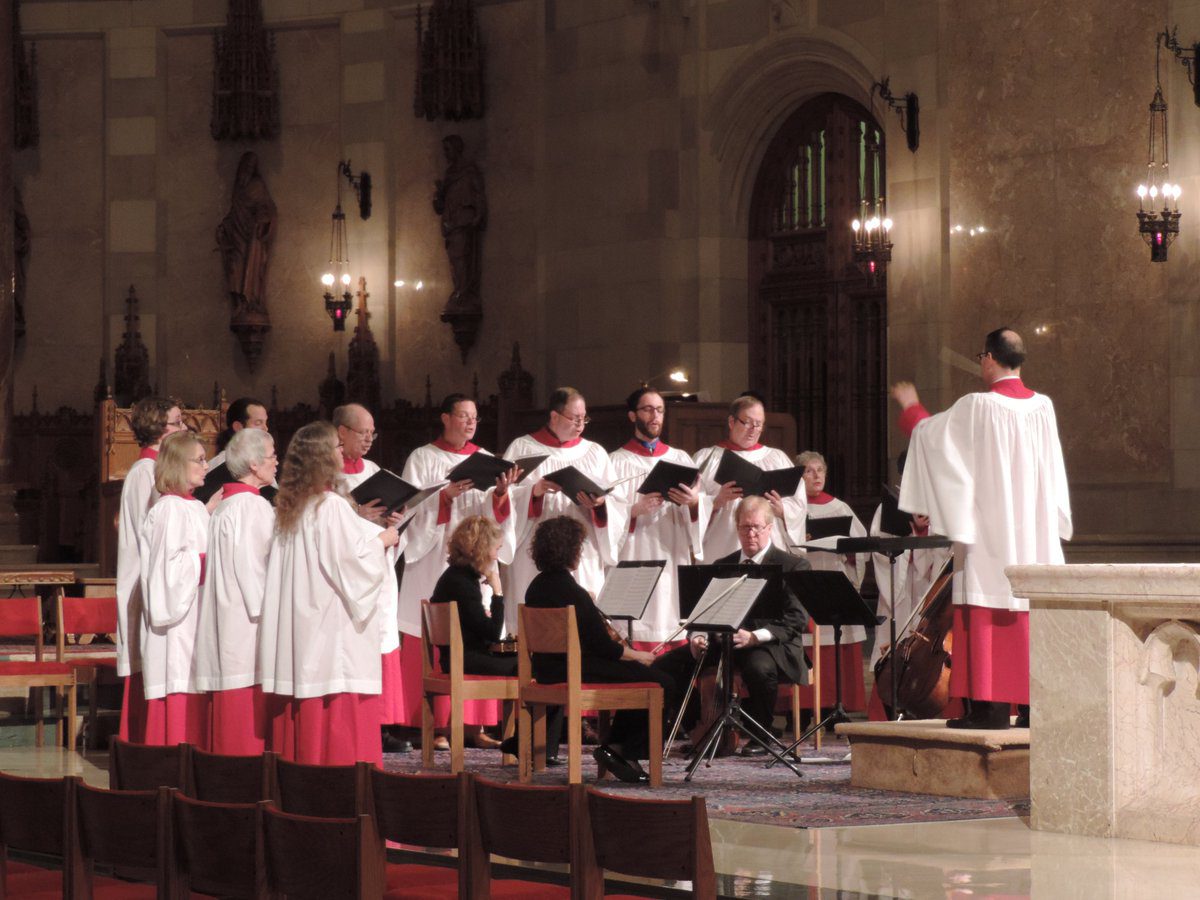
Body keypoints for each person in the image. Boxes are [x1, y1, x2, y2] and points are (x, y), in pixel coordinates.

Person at [893, 327, 1072, 730]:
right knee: (1028, 614)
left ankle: (989, 710)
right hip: (1034, 536)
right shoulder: (1043, 407)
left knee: (987, 608)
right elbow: (1054, 470)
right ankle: (1033, 708)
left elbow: (931, 439)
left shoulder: (977, 406)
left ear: (989, 358)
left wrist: (910, 407)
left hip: (991, 537)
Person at [257, 421, 401, 765]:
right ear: (323, 456)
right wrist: (383, 540)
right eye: (336, 446)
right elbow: (352, 564)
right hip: (330, 631)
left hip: (305, 629)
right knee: (337, 720)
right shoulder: (330, 506)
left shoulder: (293, 507)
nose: (341, 451)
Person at [399, 395, 519, 748]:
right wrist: (444, 497)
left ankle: (472, 727)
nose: (470, 423)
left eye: (475, 417)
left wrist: (500, 494)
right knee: (440, 636)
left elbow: (495, 518)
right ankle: (436, 726)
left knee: (478, 633)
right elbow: (407, 509)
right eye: (464, 416)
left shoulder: (486, 459)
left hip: (475, 560)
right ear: (445, 418)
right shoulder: (422, 458)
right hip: (435, 558)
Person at [653, 496, 811, 755]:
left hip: (770, 644)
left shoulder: (793, 565)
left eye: (756, 527)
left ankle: (761, 735)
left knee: (758, 668)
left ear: (769, 528)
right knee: (666, 666)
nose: (750, 534)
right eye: (745, 527)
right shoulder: (722, 566)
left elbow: (796, 619)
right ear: (737, 528)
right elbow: (703, 612)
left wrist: (755, 637)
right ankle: (698, 728)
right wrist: (698, 636)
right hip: (725, 643)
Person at [525, 517, 675, 783]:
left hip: (547, 670)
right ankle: (624, 752)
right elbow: (602, 646)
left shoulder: (535, 587)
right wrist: (638, 655)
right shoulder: (573, 592)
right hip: (577, 669)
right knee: (661, 682)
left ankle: (615, 747)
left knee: (639, 676)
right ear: (571, 550)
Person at [501, 388, 627, 636]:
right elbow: (503, 497)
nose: (581, 424)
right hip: (533, 554)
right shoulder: (523, 447)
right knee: (537, 627)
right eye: (574, 418)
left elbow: (617, 502)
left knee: (584, 628)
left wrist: (600, 505)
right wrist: (534, 492)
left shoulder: (595, 452)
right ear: (554, 416)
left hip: (582, 552)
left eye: (584, 418)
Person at [193, 428, 278, 754]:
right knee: (242, 717)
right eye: (272, 455)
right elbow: (256, 571)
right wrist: (273, 612)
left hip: (227, 616)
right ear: (254, 464)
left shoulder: (228, 504)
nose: (277, 462)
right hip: (246, 623)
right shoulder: (251, 507)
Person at [333, 402, 409, 751]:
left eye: (372, 434)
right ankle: (361, 723)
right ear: (341, 432)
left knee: (382, 637)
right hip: (351, 571)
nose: (368, 439)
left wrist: (392, 519)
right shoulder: (330, 478)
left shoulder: (376, 471)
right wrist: (357, 514)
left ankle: (382, 723)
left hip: (378, 566)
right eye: (362, 432)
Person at [610, 387, 709, 647]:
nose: (655, 416)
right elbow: (605, 515)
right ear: (633, 416)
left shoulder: (680, 459)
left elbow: (700, 506)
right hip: (635, 551)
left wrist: (693, 503)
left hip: (672, 549)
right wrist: (633, 510)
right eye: (648, 409)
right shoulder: (615, 462)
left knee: (670, 612)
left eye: (660, 410)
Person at [116, 396, 186, 741]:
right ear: (159, 429)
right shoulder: (147, 471)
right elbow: (158, 530)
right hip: (147, 580)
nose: (184, 428)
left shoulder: (155, 469)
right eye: (178, 422)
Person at [137, 431, 212, 746]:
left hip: (196, 613)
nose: (206, 466)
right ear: (179, 464)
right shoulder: (168, 509)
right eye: (200, 460)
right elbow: (166, 572)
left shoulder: (195, 506)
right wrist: (207, 562)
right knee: (179, 685)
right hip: (177, 623)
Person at [795, 450, 868, 713]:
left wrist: (850, 552)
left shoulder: (840, 507)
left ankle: (835, 705)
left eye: (820, 470)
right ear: (799, 476)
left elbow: (861, 547)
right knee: (807, 643)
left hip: (834, 580)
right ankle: (802, 708)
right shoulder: (792, 508)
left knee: (836, 642)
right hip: (805, 581)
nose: (816, 476)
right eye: (809, 471)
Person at [693, 395, 807, 561]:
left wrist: (783, 511)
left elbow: (798, 504)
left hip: (769, 553)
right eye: (747, 422)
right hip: (721, 550)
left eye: (758, 424)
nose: (753, 429)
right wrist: (716, 501)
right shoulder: (707, 458)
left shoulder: (778, 459)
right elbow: (689, 506)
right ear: (731, 422)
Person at [216, 150, 277, 312]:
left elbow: (267, 208)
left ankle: (250, 301)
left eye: (251, 167)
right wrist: (224, 227)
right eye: (246, 166)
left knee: (251, 270)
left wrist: (262, 219)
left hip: (252, 236)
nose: (247, 170)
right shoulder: (238, 188)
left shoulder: (258, 185)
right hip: (236, 234)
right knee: (234, 268)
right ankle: (238, 303)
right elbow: (234, 211)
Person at [433, 134, 487, 315]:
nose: (445, 154)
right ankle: (459, 291)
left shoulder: (469, 171)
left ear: (457, 149)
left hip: (464, 220)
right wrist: (439, 193)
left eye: (447, 149)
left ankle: (463, 293)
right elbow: (440, 206)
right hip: (451, 223)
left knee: (463, 257)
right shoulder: (449, 174)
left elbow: (478, 194)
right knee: (455, 260)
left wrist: (479, 214)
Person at [211, 396, 270, 463]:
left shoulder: (264, 458)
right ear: (238, 427)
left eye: (265, 422)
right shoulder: (224, 463)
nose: (266, 429)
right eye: (258, 423)